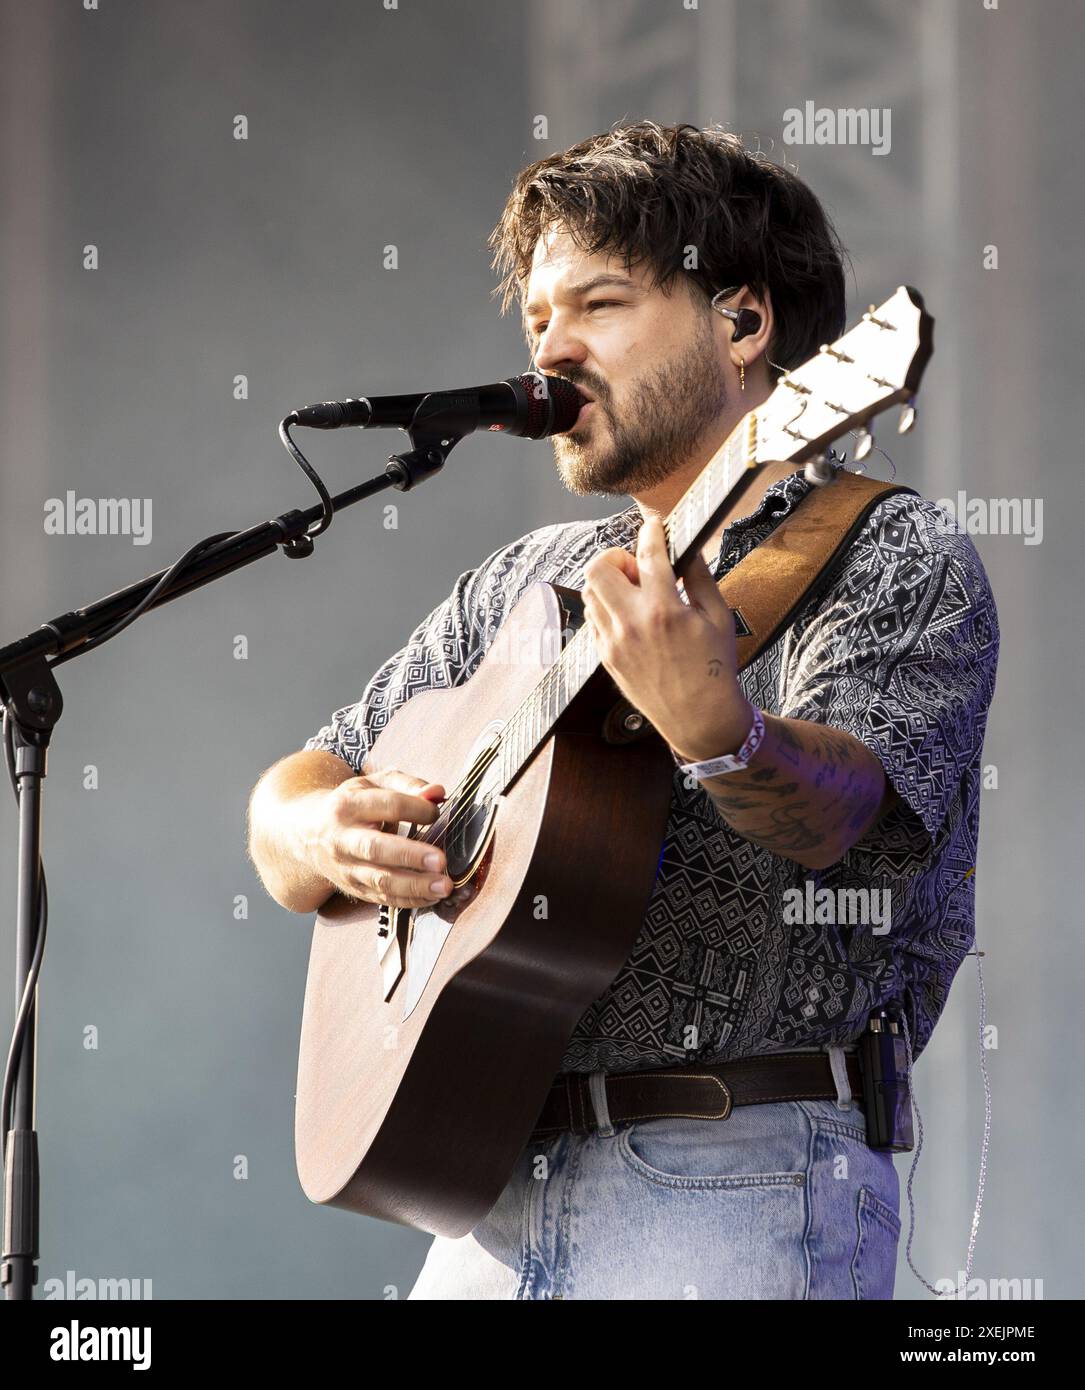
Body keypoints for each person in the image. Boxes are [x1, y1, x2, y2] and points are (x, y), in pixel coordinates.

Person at [246, 121, 999, 1300]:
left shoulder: (886, 550)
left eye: (596, 305)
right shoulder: (525, 579)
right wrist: (325, 830)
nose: (551, 348)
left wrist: (721, 731)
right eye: (539, 318)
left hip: (736, 1176)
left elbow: (841, 818)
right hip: (487, 1189)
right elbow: (295, 787)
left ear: (741, 323)